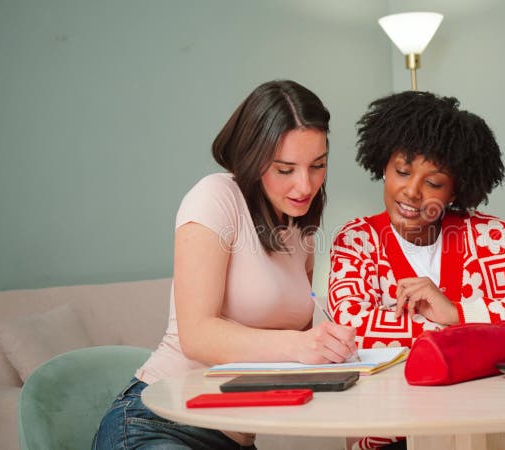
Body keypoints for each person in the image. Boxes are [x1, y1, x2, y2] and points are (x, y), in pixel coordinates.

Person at [93, 79, 358, 450]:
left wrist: (330, 348)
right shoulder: (216, 196)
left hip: (235, 436)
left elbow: (278, 357)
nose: (305, 185)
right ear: (253, 159)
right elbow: (196, 335)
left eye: (318, 165)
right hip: (159, 423)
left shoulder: (301, 228)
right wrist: (301, 345)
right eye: (285, 170)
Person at [328, 91, 505, 450]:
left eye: (434, 182)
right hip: (399, 432)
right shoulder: (357, 241)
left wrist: (459, 312)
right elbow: (352, 329)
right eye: (402, 171)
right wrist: (483, 336)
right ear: (383, 165)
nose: (412, 192)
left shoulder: (494, 237)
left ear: (456, 190)